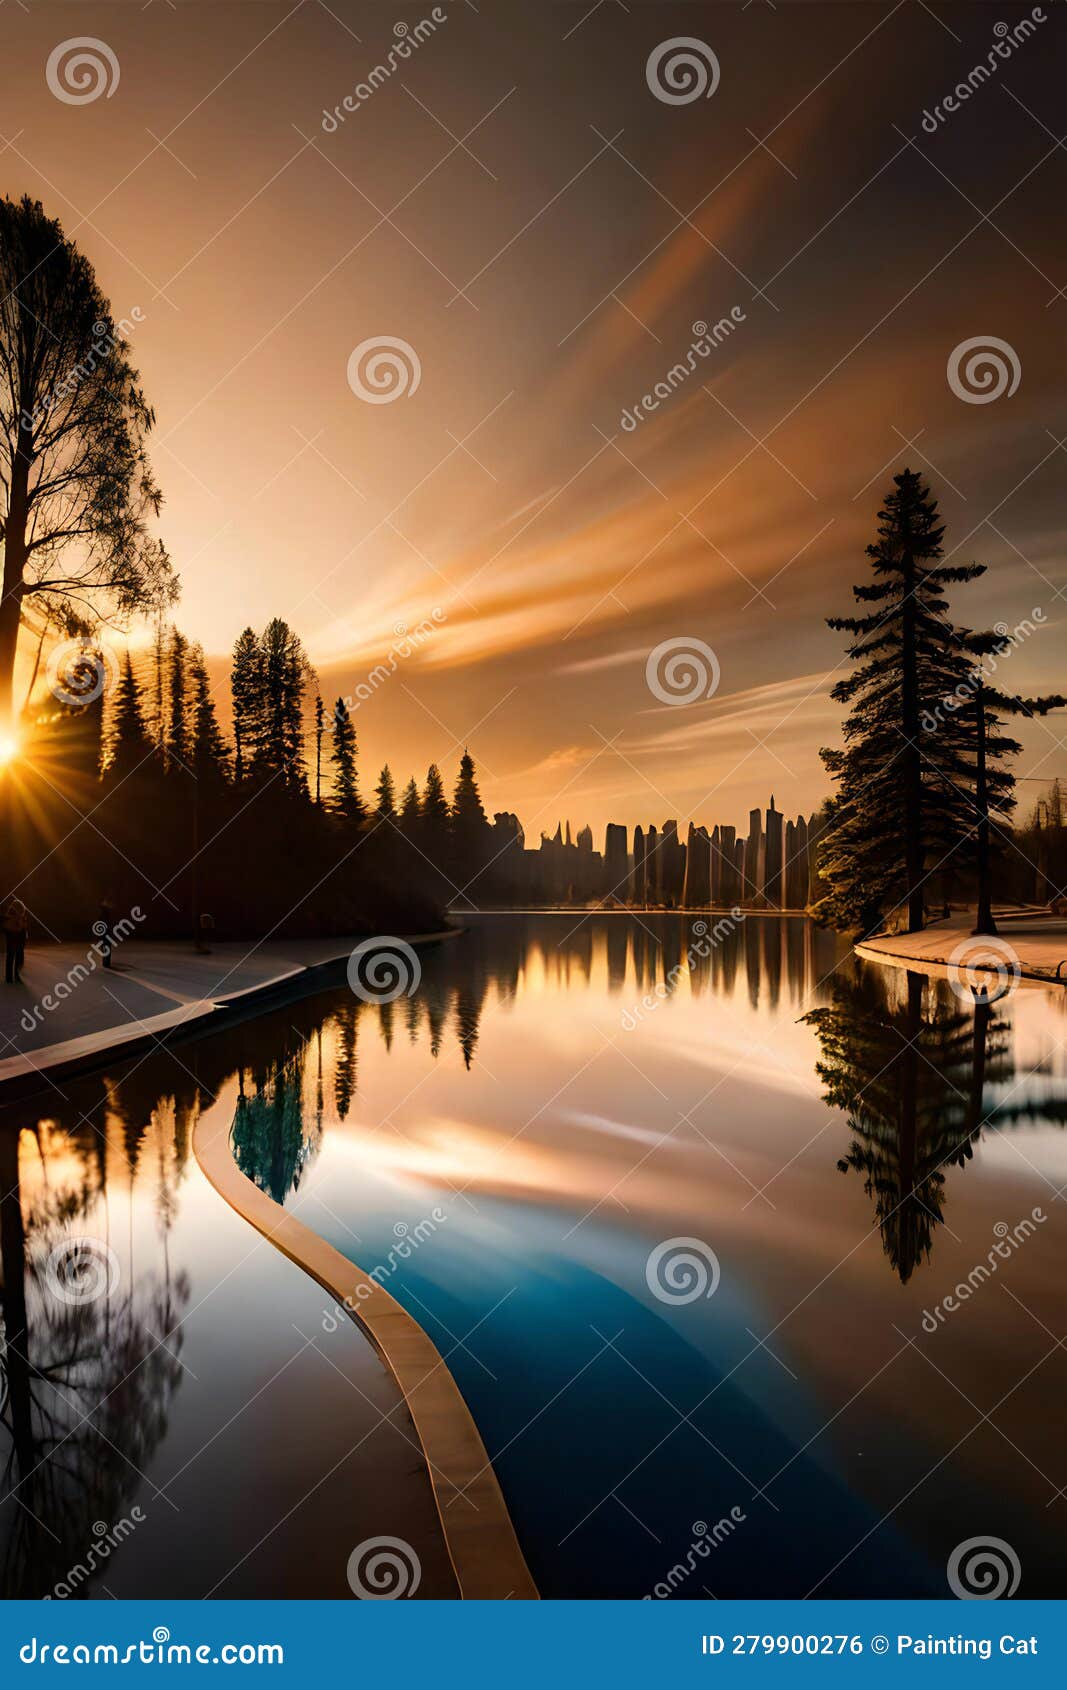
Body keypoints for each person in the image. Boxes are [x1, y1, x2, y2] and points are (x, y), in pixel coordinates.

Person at [3, 896, 28, 984]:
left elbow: (23, 930)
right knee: (16, 958)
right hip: (15, 940)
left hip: (15, 940)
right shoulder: (14, 917)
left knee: (12, 958)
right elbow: (22, 930)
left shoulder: (20, 917)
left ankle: (11, 977)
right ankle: (15, 976)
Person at [98, 898, 116, 969]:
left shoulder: (102, 914)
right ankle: (106, 963)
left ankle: (105, 962)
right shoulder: (106, 913)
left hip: (104, 932)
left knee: (105, 947)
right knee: (106, 947)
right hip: (106, 932)